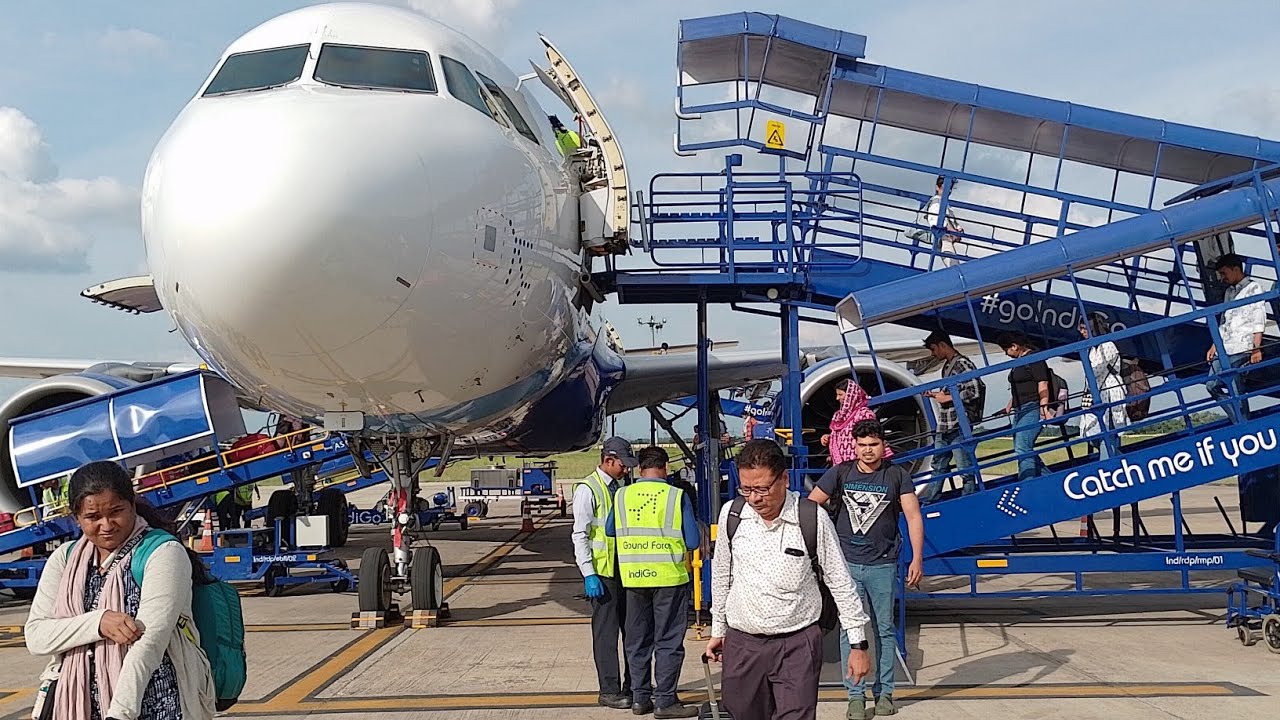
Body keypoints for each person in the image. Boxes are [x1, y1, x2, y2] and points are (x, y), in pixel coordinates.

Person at [25, 460, 216, 720]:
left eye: (116, 511)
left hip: (158, 703)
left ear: (132, 505)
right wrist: (99, 622)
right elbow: (37, 635)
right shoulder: (64, 559)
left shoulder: (163, 552)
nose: (106, 525)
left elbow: (150, 641)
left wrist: (120, 713)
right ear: (76, 517)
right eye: (92, 517)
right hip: (79, 704)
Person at [706, 439, 871, 720]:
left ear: (784, 478)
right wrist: (718, 629)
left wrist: (858, 645)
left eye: (762, 488)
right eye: (746, 489)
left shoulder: (811, 518)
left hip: (797, 645)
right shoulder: (732, 516)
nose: (755, 498)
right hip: (743, 645)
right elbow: (722, 574)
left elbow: (841, 583)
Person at [809, 420, 925, 719]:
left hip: (883, 565)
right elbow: (811, 506)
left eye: (873, 444)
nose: (867, 450)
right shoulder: (841, 473)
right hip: (846, 565)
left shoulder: (897, 475)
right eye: (862, 445)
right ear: (855, 446)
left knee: (884, 631)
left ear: (883, 446)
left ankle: (885, 692)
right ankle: (855, 696)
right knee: (851, 631)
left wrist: (917, 558)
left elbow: (913, 517)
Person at [606, 446, 700, 718]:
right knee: (668, 641)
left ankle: (639, 698)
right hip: (669, 579)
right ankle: (666, 701)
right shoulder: (675, 496)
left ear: (638, 469)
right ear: (666, 468)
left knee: (637, 640)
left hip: (633, 577)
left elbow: (611, 530)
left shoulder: (622, 495)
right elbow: (693, 541)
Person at [571, 437, 638, 710]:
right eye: (623, 465)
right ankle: (609, 690)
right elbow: (580, 534)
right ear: (608, 460)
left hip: (626, 571)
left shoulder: (621, 488)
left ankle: (633, 686)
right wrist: (588, 572)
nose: (627, 470)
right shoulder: (588, 489)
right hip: (603, 575)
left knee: (633, 633)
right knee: (607, 636)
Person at [915, 331, 983, 502]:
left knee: (964, 466)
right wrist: (937, 395)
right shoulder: (948, 366)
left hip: (958, 423)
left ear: (943, 345)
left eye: (933, 349)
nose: (933, 354)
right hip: (946, 423)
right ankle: (930, 499)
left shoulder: (961, 364)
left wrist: (946, 397)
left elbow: (974, 389)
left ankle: (969, 499)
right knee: (938, 464)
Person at [1205, 254, 1266, 423]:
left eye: (1225, 273)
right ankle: (1239, 419)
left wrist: (1256, 347)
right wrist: (1214, 345)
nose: (1223, 278)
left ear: (1236, 269)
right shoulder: (1230, 292)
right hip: (1225, 346)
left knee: (1234, 384)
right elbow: (1225, 321)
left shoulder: (1254, 288)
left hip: (1243, 345)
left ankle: (1242, 421)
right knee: (1212, 385)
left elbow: (1258, 319)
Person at [996, 332, 1051, 481]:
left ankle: (1027, 484)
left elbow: (1042, 382)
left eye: (1006, 349)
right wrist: (1009, 406)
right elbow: (1018, 388)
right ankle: (1049, 479)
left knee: (1022, 447)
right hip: (1019, 409)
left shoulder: (1033, 359)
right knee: (1022, 448)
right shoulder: (1019, 362)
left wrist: (1043, 406)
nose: (1006, 354)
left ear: (1014, 346)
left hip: (1032, 407)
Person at [1077, 312, 1129, 460]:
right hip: (1098, 392)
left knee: (1105, 434)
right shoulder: (1093, 347)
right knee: (1096, 434)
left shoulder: (1106, 345)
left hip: (1109, 391)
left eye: (1083, 328)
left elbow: (1095, 370)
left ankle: (1109, 466)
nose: (1081, 332)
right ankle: (1119, 462)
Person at [822, 380, 894, 466]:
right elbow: (841, 436)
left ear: (850, 395)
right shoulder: (838, 416)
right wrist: (829, 438)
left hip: (861, 463)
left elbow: (872, 436)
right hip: (842, 465)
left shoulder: (864, 414)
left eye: (840, 394)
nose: (837, 398)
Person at [913, 175, 966, 267]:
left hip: (946, 237)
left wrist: (958, 231)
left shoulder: (942, 203)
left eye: (949, 189)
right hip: (944, 238)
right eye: (944, 188)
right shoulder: (936, 203)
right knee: (952, 262)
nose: (948, 191)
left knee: (951, 261)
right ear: (937, 187)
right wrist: (955, 232)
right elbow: (937, 221)